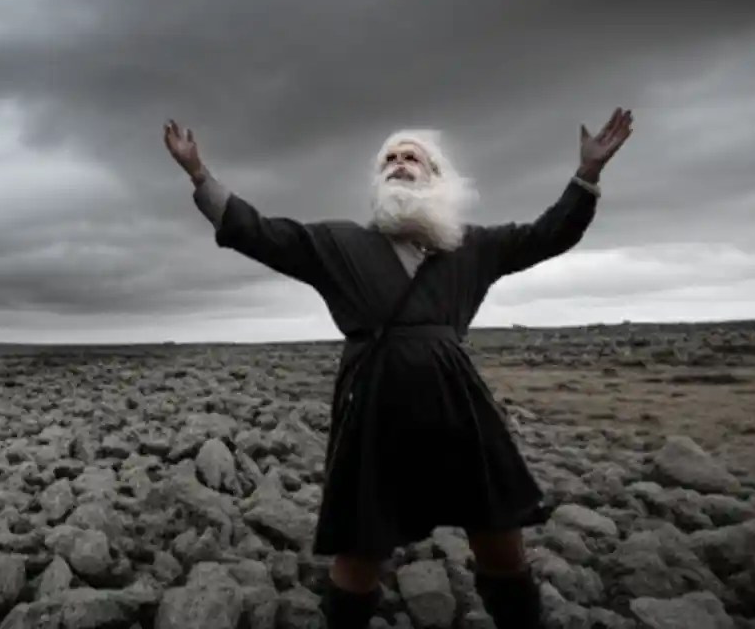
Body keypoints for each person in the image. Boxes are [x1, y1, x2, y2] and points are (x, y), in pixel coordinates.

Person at [162, 109, 633, 629]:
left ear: (436, 177)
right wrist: (199, 175)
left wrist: (587, 174)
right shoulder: (340, 243)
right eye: (389, 158)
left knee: (499, 536)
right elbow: (260, 233)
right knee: (360, 549)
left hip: (457, 404)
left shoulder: (472, 246)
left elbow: (550, 233)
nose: (399, 163)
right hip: (373, 405)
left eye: (412, 157)